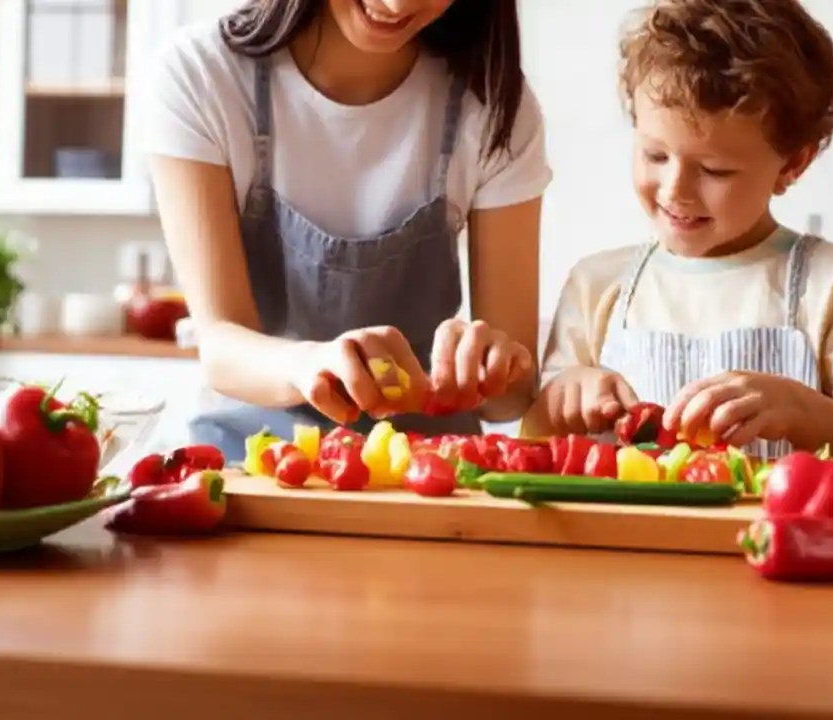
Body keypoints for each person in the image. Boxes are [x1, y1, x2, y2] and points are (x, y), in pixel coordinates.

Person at [146, 0, 551, 461]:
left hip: (429, 481)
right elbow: (220, 342)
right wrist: (312, 364)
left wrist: (494, 367)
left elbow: (509, 401)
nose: (398, 5)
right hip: (247, 464)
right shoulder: (203, 75)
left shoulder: (496, 105)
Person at [523, 0, 833, 459]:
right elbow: (533, 438)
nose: (676, 191)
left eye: (714, 170)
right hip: (624, 534)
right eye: (655, 156)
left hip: (779, 532)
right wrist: (565, 396)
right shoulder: (596, 284)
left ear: (793, 163)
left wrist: (805, 411)